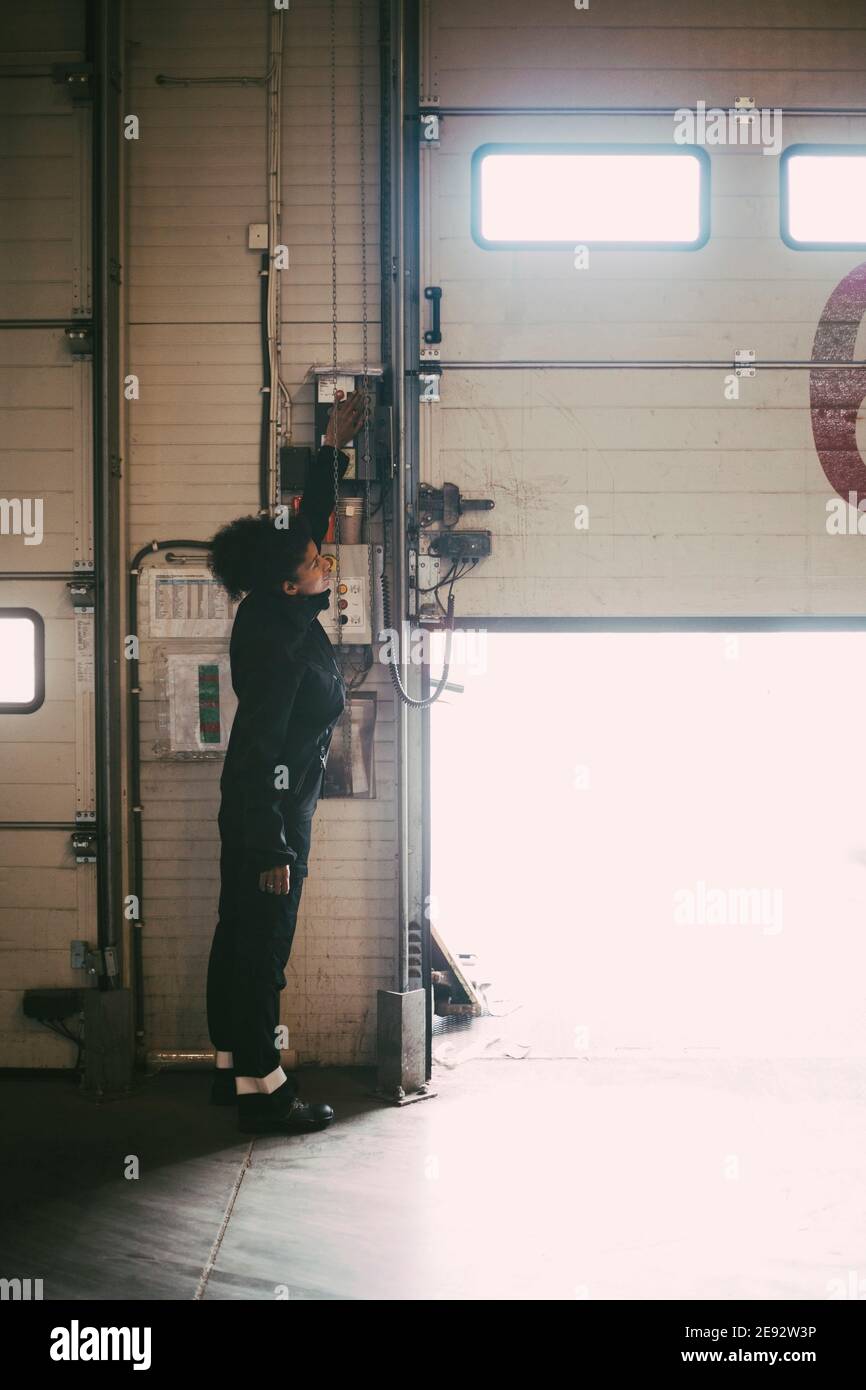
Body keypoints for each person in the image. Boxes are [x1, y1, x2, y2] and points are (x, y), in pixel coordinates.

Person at [205, 388, 369, 1134]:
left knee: (237, 933)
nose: (323, 556)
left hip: (260, 814)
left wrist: (330, 445)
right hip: (266, 816)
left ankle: (231, 1073)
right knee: (262, 948)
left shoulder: (280, 604)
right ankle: (267, 1093)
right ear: (287, 581)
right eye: (313, 560)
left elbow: (305, 518)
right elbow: (256, 751)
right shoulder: (276, 642)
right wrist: (272, 843)